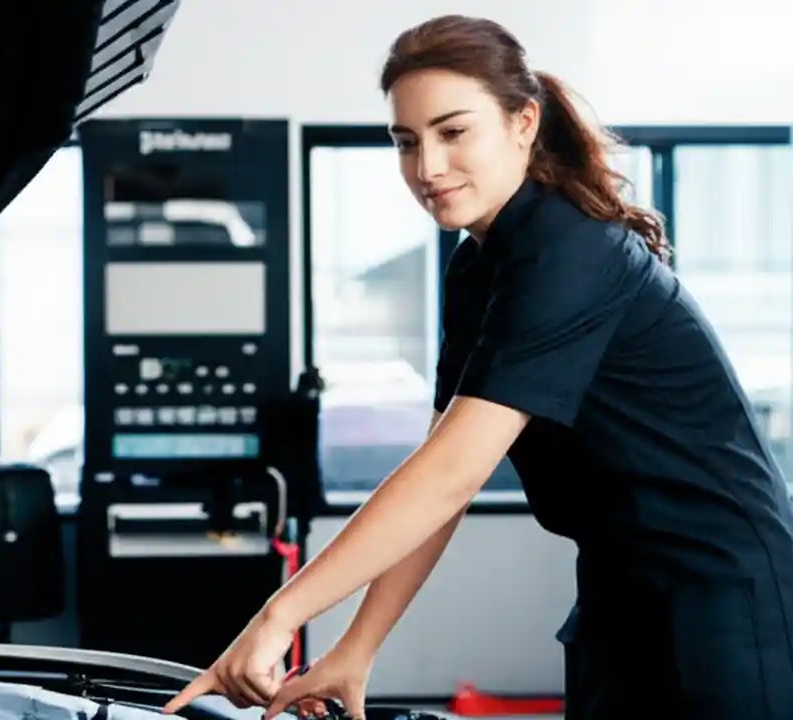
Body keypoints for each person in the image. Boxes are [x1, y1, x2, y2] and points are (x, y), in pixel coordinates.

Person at [161, 14, 793, 720]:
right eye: (406, 142)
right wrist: (357, 648)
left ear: (523, 122)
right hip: (617, 595)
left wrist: (278, 617)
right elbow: (442, 475)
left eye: (453, 132)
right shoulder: (477, 268)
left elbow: (452, 474)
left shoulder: (572, 251)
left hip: (721, 602)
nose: (427, 168)